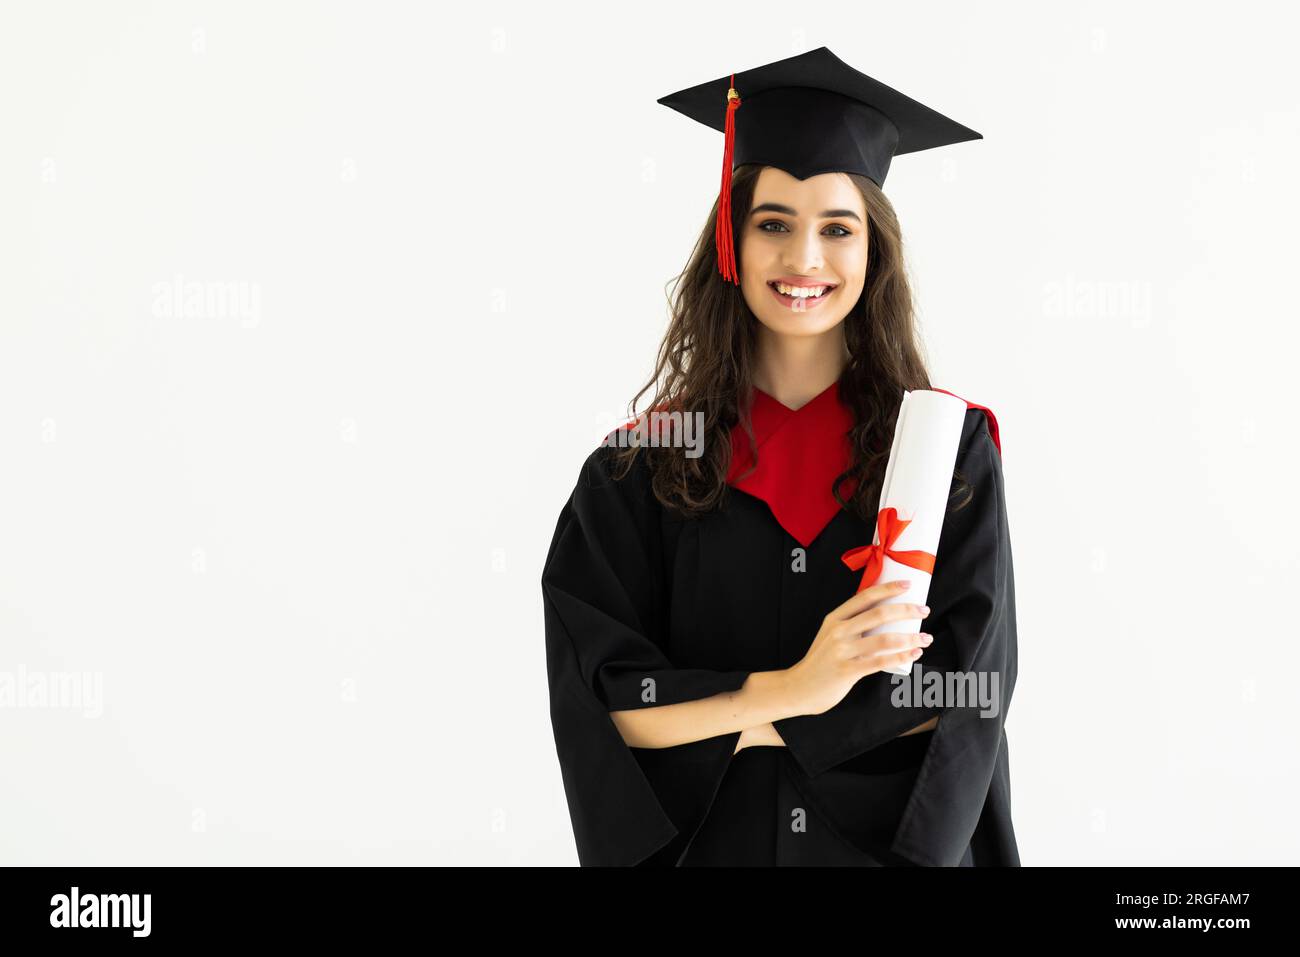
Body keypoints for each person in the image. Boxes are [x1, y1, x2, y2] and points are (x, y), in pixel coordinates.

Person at [541, 47, 1019, 866]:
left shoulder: (943, 452)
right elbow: (610, 700)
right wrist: (794, 689)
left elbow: (966, 689)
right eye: (773, 224)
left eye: (838, 228)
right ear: (732, 239)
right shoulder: (639, 467)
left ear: (874, 254)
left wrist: (739, 721)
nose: (804, 258)